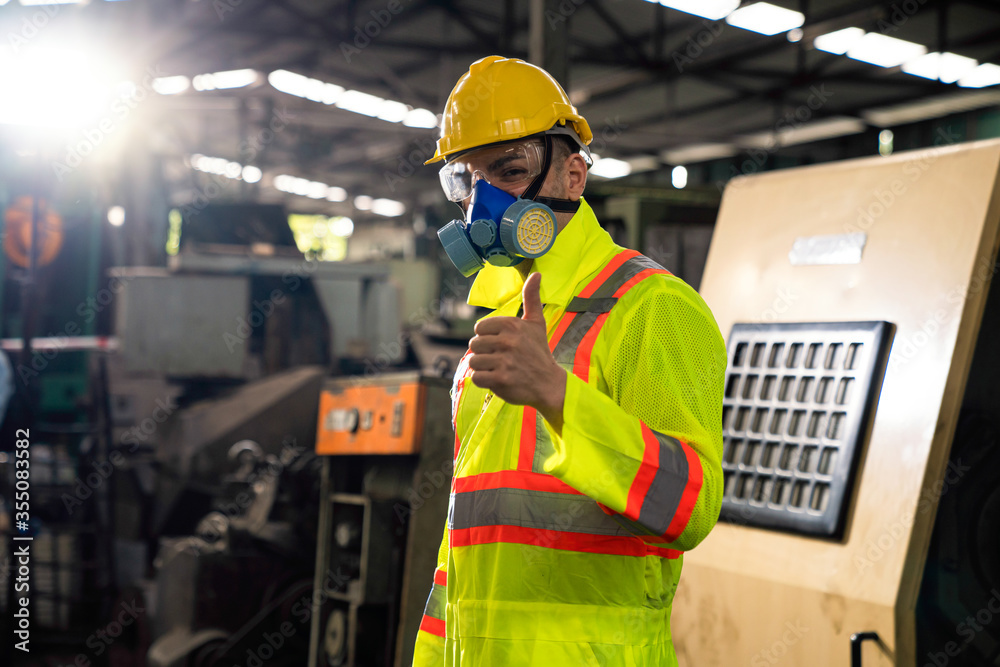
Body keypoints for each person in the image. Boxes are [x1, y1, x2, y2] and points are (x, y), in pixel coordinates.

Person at [414, 55, 727, 666]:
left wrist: (559, 397)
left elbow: (692, 505)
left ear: (573, 176)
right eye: (467, 182)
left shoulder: (653, 307)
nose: (486, 203)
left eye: (510, 171)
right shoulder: (495, 329)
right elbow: (464, 552)